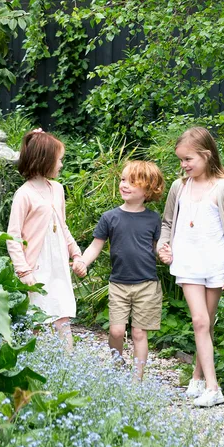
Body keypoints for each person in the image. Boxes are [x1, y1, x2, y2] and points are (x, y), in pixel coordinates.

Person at [157, 126, 224, 407]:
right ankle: (214, 387)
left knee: (206, 324)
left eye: (188, 159)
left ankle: (197, 377)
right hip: (188, 262)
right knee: (200, 321)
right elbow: (168, 222)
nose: (183, 165)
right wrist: (163, 245)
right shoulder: (179, 187)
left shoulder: (223, 188)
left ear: (206, 155)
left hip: (217, 263)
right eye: (181, 160)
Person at [81, 160, 165, 378]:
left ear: (148, 189)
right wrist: (82, 261)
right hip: (118, 283)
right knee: (116, 331)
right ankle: (118, 364)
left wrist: (166, 254)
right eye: (123, 179)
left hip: (147, 284)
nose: (124, 185)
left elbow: (158, 249)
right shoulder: (110, 217)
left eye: (132, 182)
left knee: (139, 332)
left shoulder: (153, 219)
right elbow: (95, 246)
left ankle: (137, 379)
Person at [7, 128, 87, 350]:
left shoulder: (58, 189)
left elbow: (62, 227)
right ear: (44, 160)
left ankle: (68, 365)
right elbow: (12, 236)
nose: (61, 165)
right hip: (36, 265)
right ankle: (36, 364)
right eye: (59, 160)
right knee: (38, 317)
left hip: (58, 263)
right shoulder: (24, 194)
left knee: (62, 314)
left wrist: (76, 253)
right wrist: (23, 271)